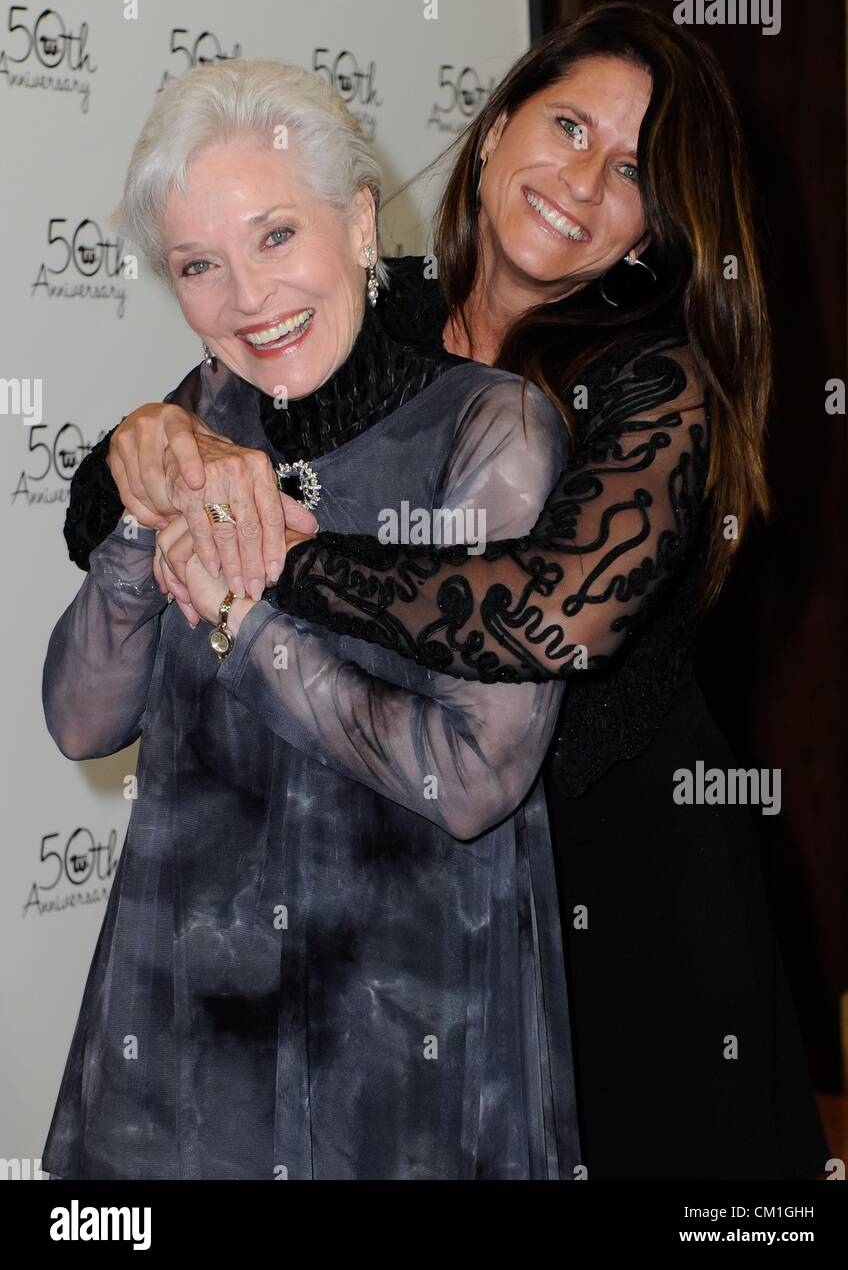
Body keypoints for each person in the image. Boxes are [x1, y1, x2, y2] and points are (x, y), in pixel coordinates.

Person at [62, 5, 830, 1179]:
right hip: (428, 902)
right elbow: (120, 490)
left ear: (657, 222)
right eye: (567, 124)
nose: (580, 176)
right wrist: (156, 446)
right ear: (496, 128)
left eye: (629, 169)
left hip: (625, 892)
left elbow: (537, 610)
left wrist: (262, 556)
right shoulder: (372, 303)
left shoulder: (651, 376)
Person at [41, 59, 581, 1180]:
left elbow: (472, 780)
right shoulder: (199, 417)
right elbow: (81, 719)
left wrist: (247, 623)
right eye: (200, 264)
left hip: (404, 1042)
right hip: (183, 1042)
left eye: (277, 236)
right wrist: (141, 518)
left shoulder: (491, 433)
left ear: (359, 221)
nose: (247, 299)